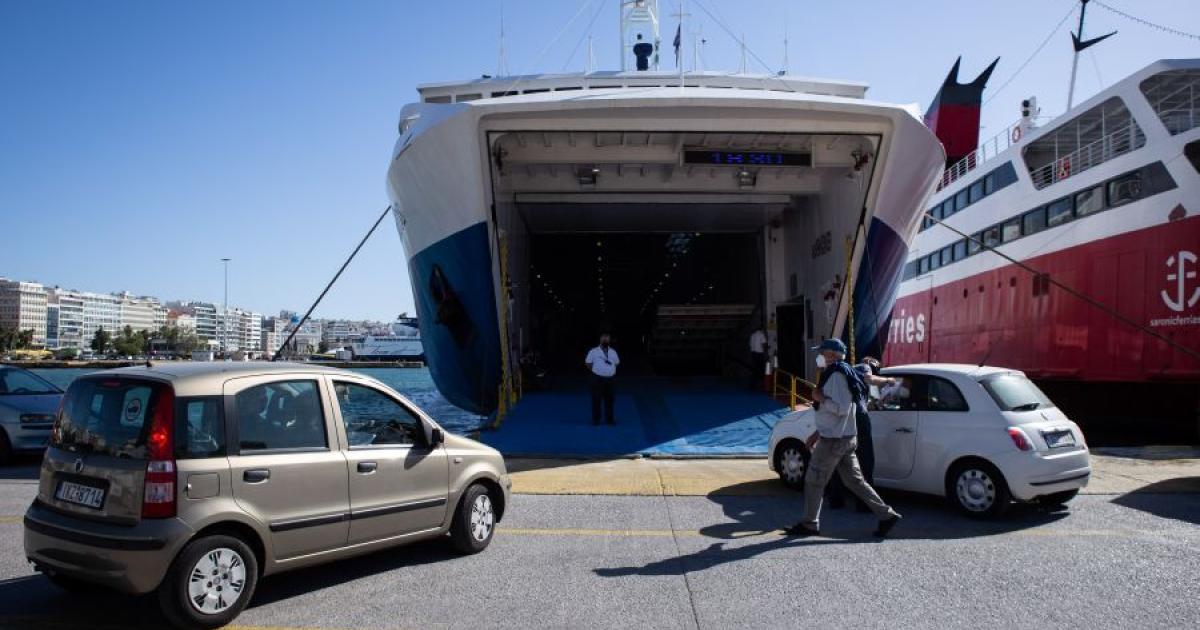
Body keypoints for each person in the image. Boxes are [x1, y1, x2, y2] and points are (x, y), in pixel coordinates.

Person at [785, 339, 901, 538]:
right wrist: (816, 433)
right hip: (844, 437)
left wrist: (820, 398)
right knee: (855, 482)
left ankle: (809, 524)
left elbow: (841, 409)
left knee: (814, 480)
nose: (819, 355)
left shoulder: (837, 375)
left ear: (831, 353)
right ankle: (886, 515)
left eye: (821, 351)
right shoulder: (844, 371)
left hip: (833, 440)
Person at [825, 356, 898, 511]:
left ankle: (836, 499)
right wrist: (889, 380)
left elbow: (865, 401)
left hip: (842, 418)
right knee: (865, 463)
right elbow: (870, 378)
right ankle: (864, 503)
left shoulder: (848, 375)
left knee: (841, 460)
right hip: (858, 419)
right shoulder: (863, 368)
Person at [585, 333, 620, 426]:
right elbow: (588, 363)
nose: (605, 341)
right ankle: (596, 420)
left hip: (610, 380)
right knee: (596, 399)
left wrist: (608, 371)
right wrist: (597, 370)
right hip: (597, 379)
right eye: (604, 339)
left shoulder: (613, 352)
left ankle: (610, 420)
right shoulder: (593, 351)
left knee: (610, 400)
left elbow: (616, 363)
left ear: (609, 341)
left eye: (607, 339)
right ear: (600, 340)